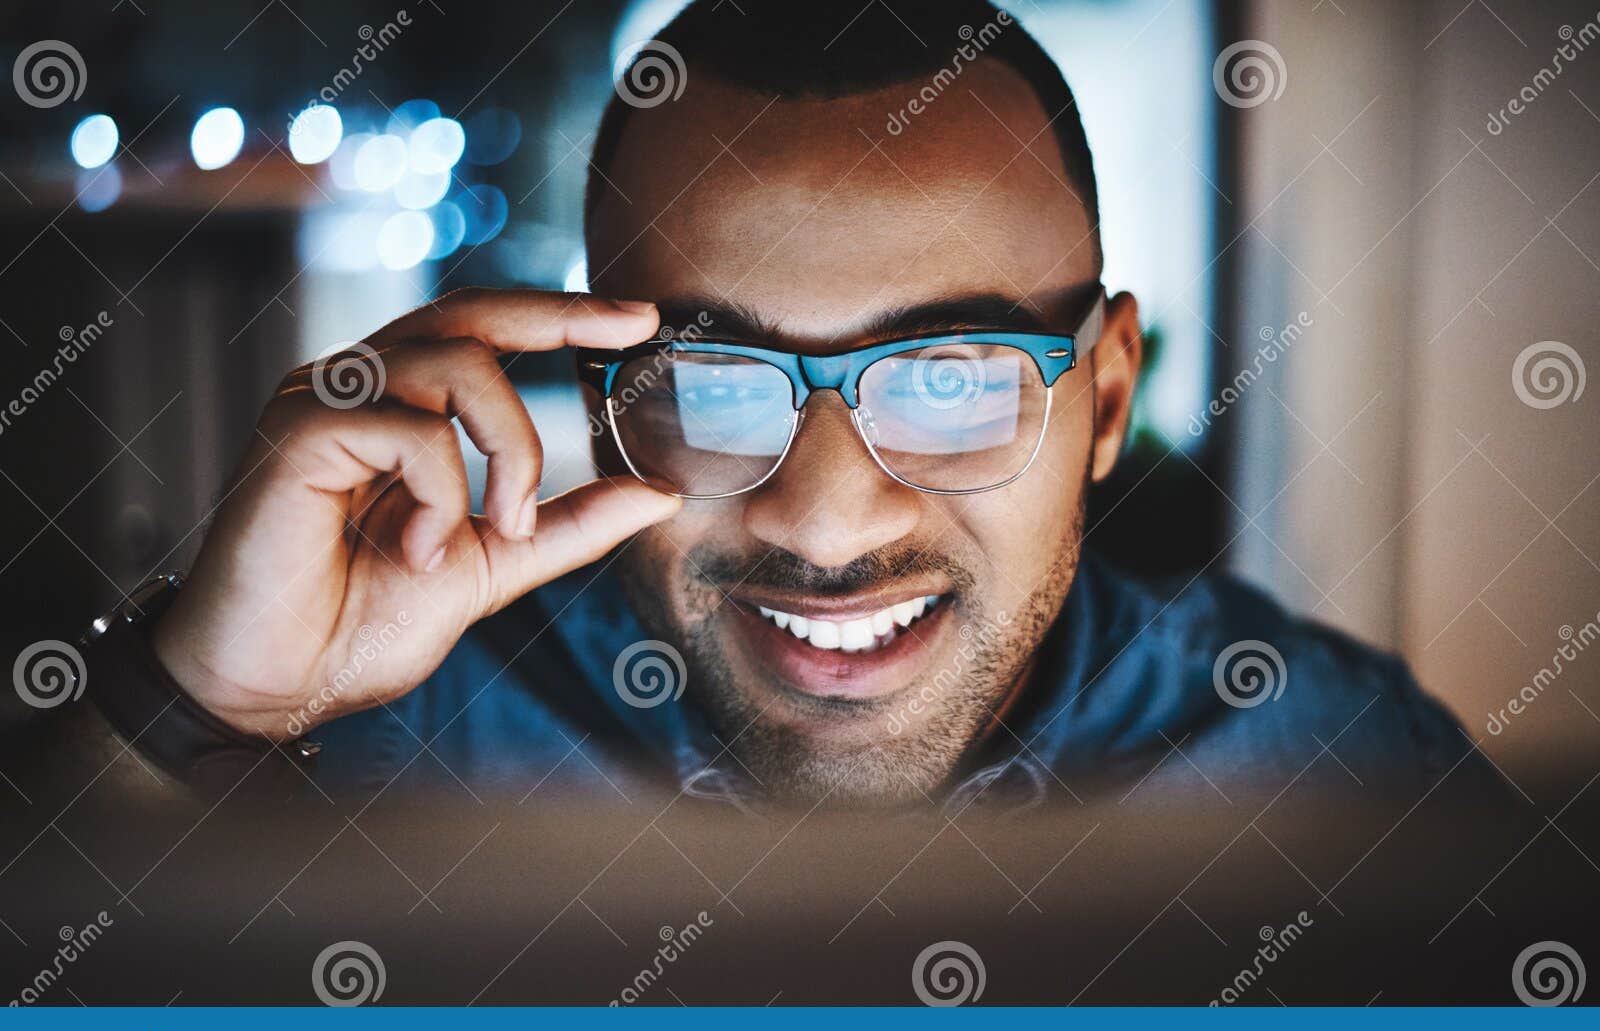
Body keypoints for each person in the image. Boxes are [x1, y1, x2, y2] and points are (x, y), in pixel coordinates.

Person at [10, 0, 1498, 813]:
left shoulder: (1333, 778)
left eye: (953, 377)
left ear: (1104, 394)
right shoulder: (397, 734)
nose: (827, 516)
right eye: (715, 385)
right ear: (601, 407)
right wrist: (203, 703)